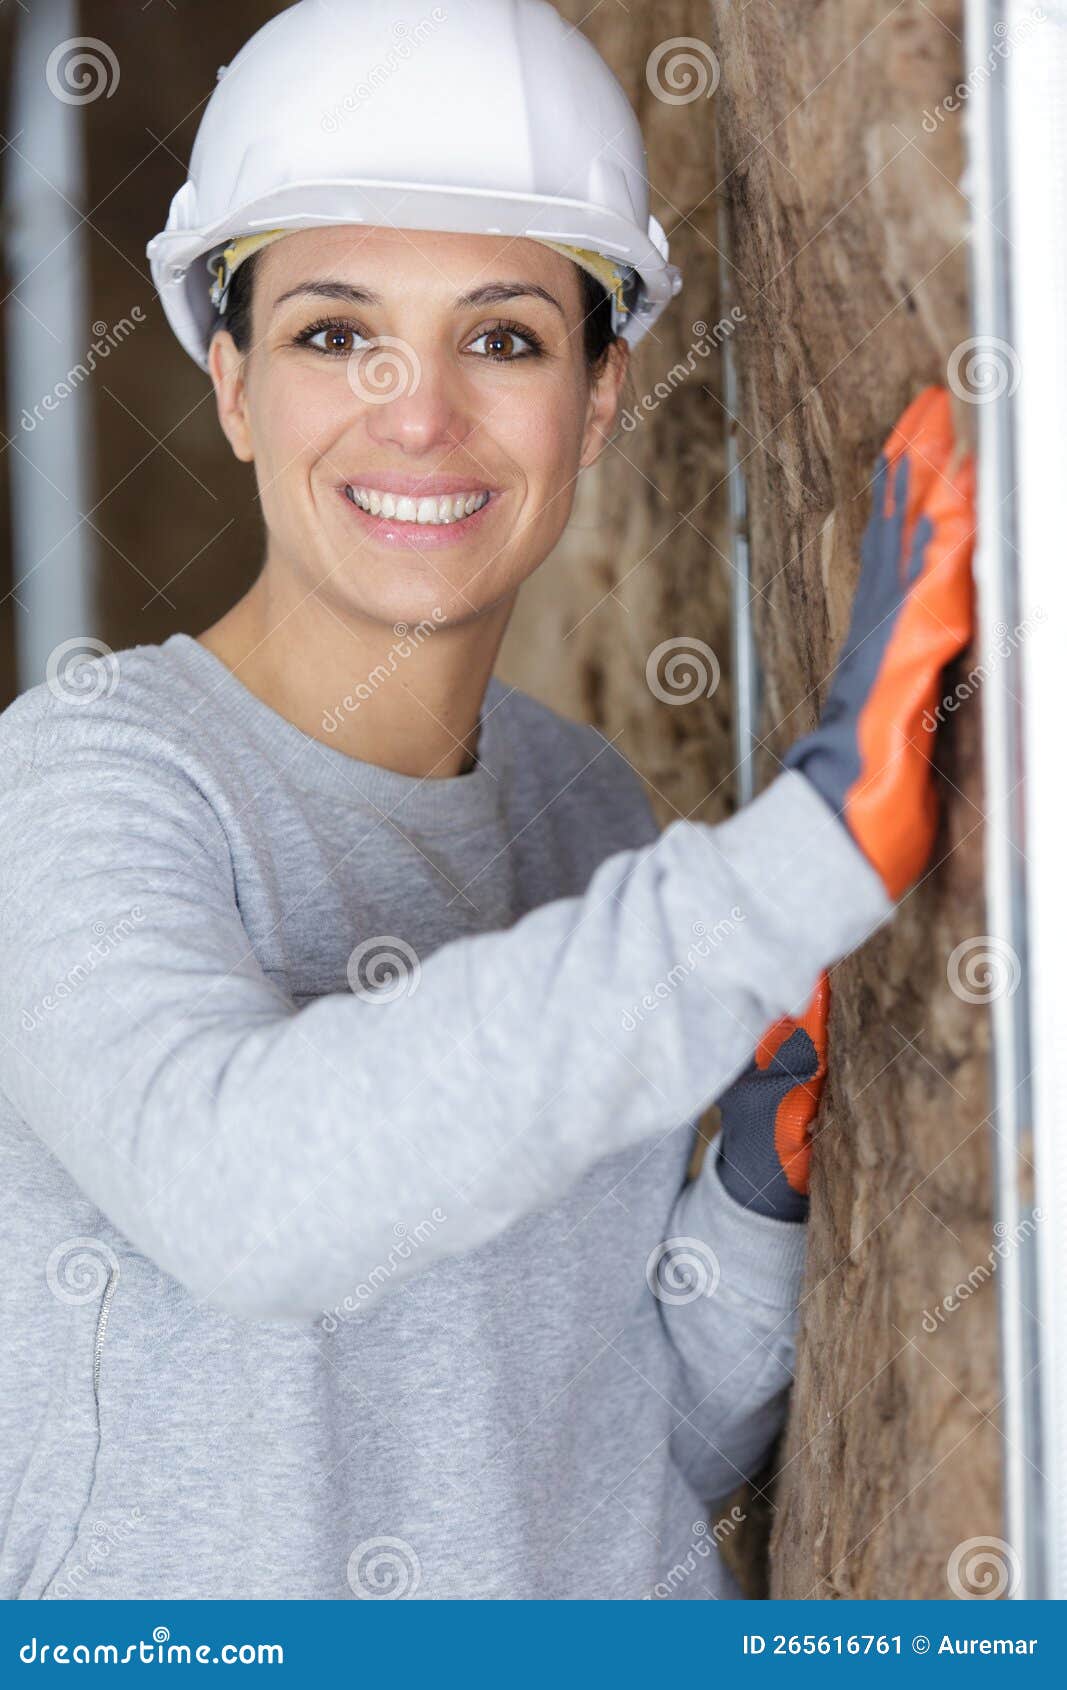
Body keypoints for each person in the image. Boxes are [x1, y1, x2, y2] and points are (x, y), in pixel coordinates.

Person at [0, 0, 975, 1600]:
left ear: (598, 400)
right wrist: (792, 865)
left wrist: (751, 1200)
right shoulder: (86, 784)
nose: (420, 410)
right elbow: (243, 1200)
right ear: (234, 382)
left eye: (506, 335)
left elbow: (593, 1457)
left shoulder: (585, 816)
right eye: (333, 331)